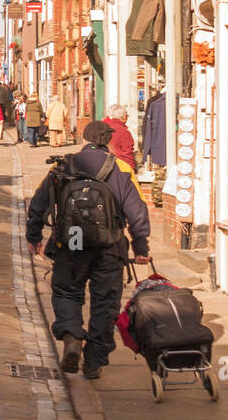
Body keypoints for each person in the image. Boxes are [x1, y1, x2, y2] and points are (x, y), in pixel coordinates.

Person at [27, 121, 151, 379]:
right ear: (107, 142)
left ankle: (72, 336)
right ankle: (94, 361)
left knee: (67, 292)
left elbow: (39, 202)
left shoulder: (62, 165)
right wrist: (141, 246)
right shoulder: (121, 168)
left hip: (71, 242)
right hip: (110, 244)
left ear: (84, 139)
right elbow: (137, 212)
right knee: (105, 302)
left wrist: (34, 236)